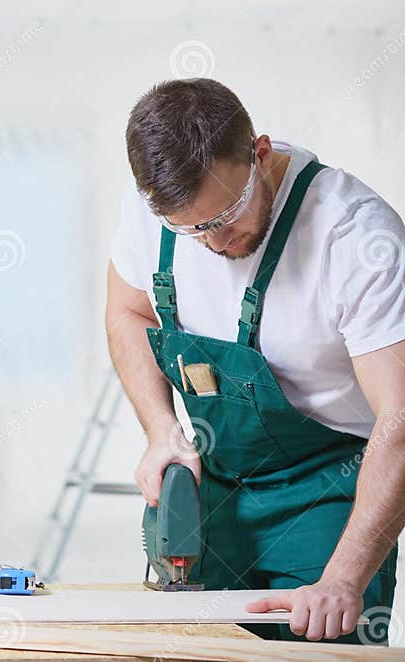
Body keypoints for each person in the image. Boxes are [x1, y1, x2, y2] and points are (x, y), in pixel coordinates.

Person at [107, 77, 404, 643]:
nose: (215, 243)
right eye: (190, 230)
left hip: (330, 494)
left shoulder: (356, 236)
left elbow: (401, 418)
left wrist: (343, 579)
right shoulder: (151, 209)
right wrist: (162, 431)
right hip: (216, 487)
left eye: (225, 216)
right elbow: (127, 310)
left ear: (260, 154)